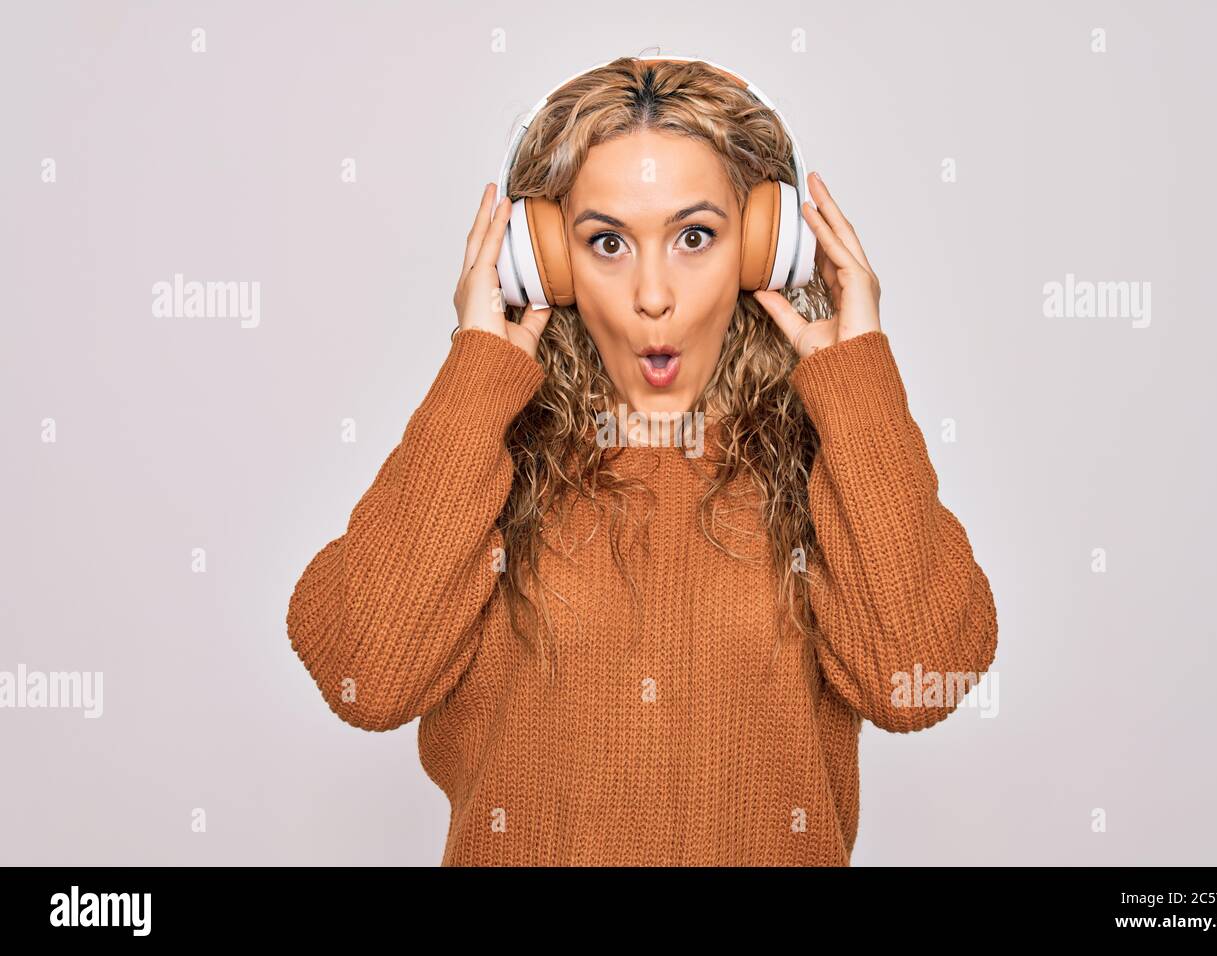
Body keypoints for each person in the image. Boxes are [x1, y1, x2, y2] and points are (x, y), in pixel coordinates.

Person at [285, 57, 998, 866]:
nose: (653, 295)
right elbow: (366, 678)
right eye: (606, 242)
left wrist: (857, 375)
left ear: (766, 249)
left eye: (696, 237)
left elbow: (916, 676)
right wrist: (476, 372)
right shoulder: (478, 464)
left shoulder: (831, 465)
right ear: (542, 262)